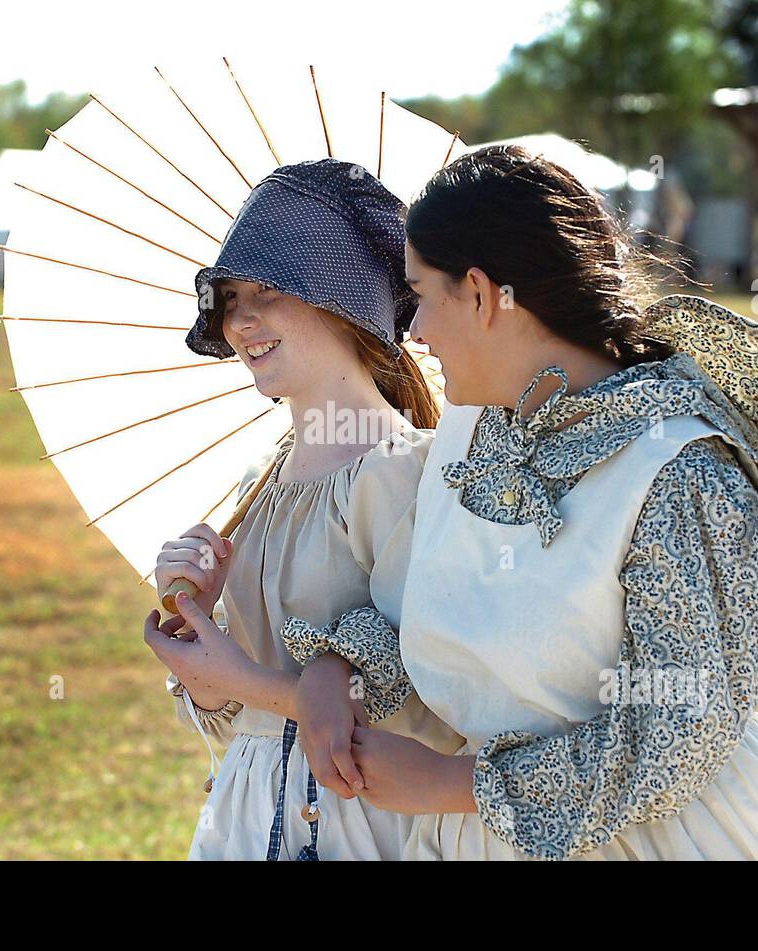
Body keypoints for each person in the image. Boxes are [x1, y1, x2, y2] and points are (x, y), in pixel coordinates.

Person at [286, 145, 758, 860]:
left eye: (420, 295)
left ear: (483, 294)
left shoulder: (681, 466)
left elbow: (679, 731)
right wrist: (337, 673)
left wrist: (456, 784)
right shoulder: (472, 427)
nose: (413, 332)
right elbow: (429, 605)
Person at [141, 159, 461, 861]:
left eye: (269, 291)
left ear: (342, 298)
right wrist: (202, 651)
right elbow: (238, 727)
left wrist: (243, 680)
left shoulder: (406, 472)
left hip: (359, 826)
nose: (240, 320)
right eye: (229, 298)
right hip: (244, 824)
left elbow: (427, 702)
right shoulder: (260, 484)